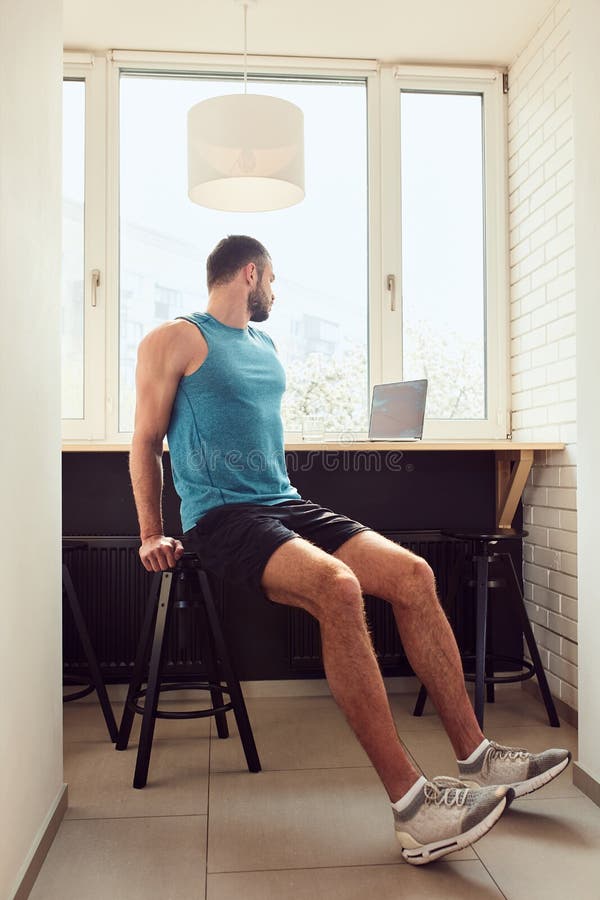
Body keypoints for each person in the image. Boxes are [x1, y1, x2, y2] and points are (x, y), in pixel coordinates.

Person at [130, 234, 571, 866]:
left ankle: (478, 756)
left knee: (414, 575)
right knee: (338, 586)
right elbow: (145, 442)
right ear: (250, 273)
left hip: (284, 501)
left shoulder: (264, 345)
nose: (275, 292)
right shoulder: (174, 338)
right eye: (272, 281)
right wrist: (151, 532)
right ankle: (413, 807)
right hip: (222, 517)